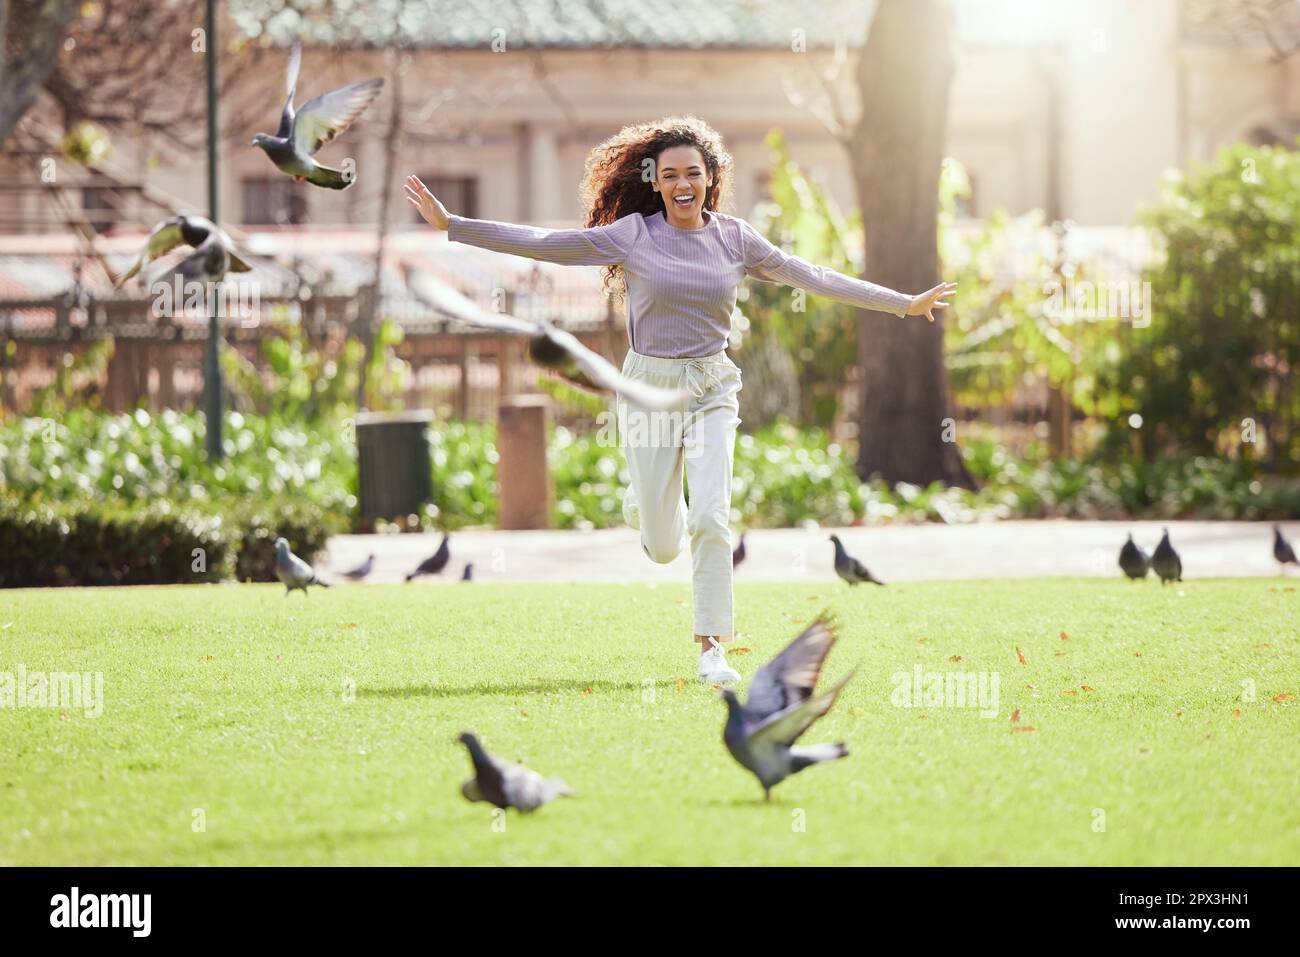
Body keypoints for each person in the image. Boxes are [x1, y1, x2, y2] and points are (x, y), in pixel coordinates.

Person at [405, 115, 955, 684]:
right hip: (647, 388)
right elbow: (551, 244)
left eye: (694, 171)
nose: (682, 183)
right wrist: (454, 225)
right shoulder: (634, 236)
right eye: (670, 175)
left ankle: (711, 648)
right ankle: (645, 504)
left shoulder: (735, 238)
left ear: (711, 177)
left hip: (713, 387)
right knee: (663, 546)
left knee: (713, 516)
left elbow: (808, 274)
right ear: (656, 181)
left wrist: (903, 303)